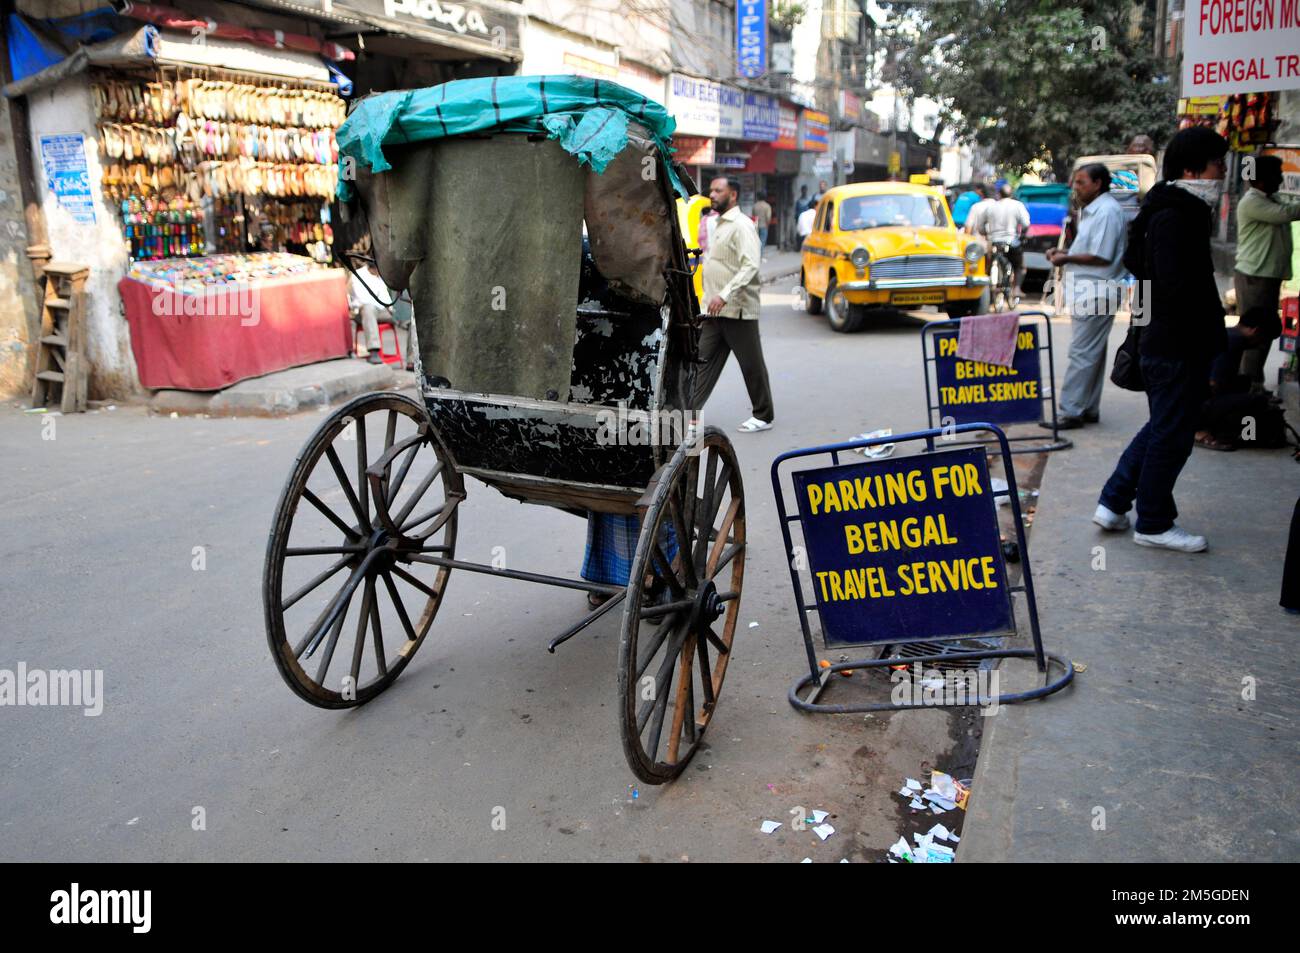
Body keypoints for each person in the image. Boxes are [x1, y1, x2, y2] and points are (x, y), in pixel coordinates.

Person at [1094, 127, 1229, 553]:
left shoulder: (1160, 208)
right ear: (1192, 169)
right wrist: (1182, 336)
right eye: (1216, 164)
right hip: (1176, 345)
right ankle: (1152, 521)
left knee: (1162, 428)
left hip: (1163, 340)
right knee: (1172, 436)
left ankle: (1114, 502)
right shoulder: (1178, 213)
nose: (1223, 171)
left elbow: (1141, 272)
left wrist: (1146, 327)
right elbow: (1171, 286)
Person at [1044, 163, 1128, 429]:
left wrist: (1065, 257)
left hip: (1097, 290)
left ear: (1098, 184)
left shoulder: (1106, 211)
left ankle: (1071, 411)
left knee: (1082, 352)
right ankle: (1087, 407)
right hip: (1091, 289)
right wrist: (1064, 255)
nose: (1075, 188)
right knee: (1092, 352)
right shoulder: (1095, 211)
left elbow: (1100, 255)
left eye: (1081, 182)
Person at [693, 175, 775, 432]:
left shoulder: (741, 225)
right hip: (714, 310)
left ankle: (763, 416)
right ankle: (689, 412)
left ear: (733, 195)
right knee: (700, 361)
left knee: (751, 364)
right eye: (711, 190)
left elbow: (750, 264)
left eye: (718, 190)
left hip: (737, 308)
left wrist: (724, 294)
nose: (712, 194)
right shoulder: (718, 223)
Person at [1233, 155, 1300, 383]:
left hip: (1265, 277)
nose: (1281, 179)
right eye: (1277, 175)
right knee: (1255, 334)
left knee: (1263, 333)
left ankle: (1249, 384)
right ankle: (1249, 386)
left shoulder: (1271, 198)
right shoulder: (1253, 201)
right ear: (1262, 180)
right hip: (1255, 277)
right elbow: (1288, 213)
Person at [348, 260, 415, 369]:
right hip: (363, 312)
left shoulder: (380, 277)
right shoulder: (358, 275)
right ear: (372, 269)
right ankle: (374, 349)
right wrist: (385, 305)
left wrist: (393, 311)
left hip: (382, 310)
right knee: (368, 309)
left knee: (411, 321)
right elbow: (363, 300)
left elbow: (386, 299)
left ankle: (411, 361)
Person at [978, 184, 1030, 296]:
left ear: (999, 194)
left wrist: (987, 234)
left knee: (986, 265)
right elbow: (1026, 224)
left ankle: (986, 289)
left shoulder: (991, 207)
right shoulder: (1018, 205)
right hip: (1012, 242)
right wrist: (1022, 235)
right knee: (1019, 266)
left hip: (994, 242)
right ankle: (1016, 289)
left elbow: (981, 227)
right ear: (1011, 194)